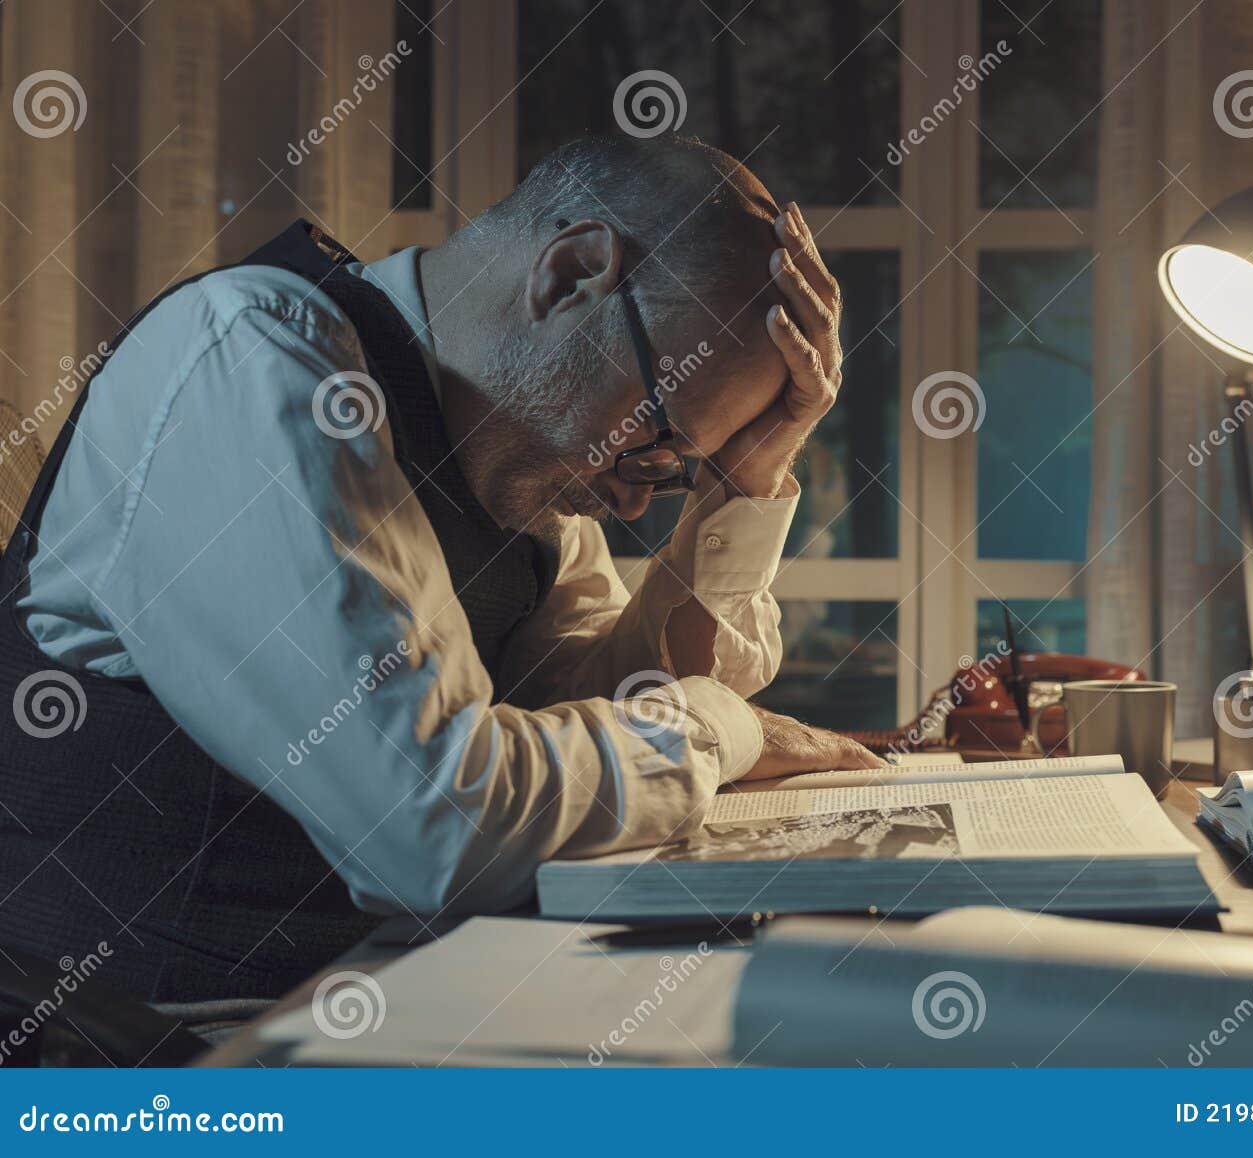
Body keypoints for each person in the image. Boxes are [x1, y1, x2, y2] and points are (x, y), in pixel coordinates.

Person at [0, 134, 881, 1003]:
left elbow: (619, 705)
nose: (633, 504)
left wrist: (747, 477)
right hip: (158, 1060)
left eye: (671, 466)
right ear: (571, 274)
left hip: (388, 1010)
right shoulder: (253, 356)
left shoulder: (518, 459)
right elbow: (437, 829)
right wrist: (728, 730)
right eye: (650, 437)